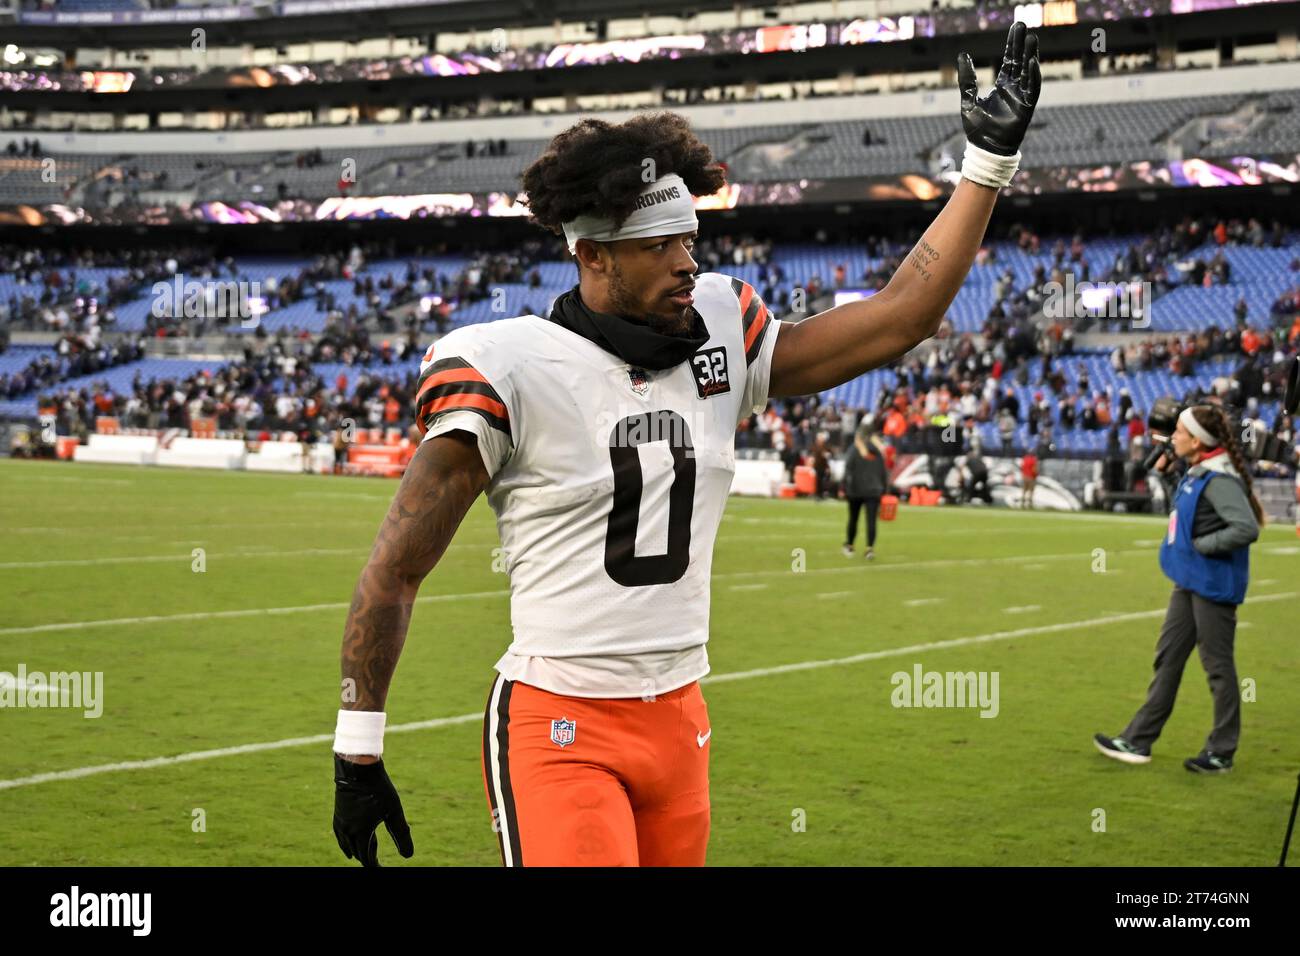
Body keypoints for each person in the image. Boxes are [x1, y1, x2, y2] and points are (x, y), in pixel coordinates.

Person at [331, 24, 1042, 867]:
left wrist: (985, 167)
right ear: (592, 254)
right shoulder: (507, 365)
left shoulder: (719, 327)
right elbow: (396, 569)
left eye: (690, 241)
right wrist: (358, 747)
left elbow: (901, 318)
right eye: (658, 246)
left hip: (679, 717)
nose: (686, 263)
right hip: (560, 720)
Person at [1095, 405, 1263, 773]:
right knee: (1168, 658)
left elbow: (1246, 527)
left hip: (1212, 585)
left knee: (1217, 667)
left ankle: (1222, 751)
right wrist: (1170, 479)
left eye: (1180, 433)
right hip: (1189, 580)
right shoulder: (1201, 471)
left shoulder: (1220, 478)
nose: (1173, 438)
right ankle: (1138, 740)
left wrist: (1206, 546)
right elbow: (1187, 512)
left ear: (1198, 442)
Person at [842, 420, 889, 559]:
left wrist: (844, 487)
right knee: (871, 521)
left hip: (856, 490)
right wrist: (884, 490)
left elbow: (848, 469)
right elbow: (883, 472)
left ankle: (850, 546)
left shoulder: (854, 449)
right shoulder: (878, 451)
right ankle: (869, 549)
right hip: (874, 491)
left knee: (853, 519)